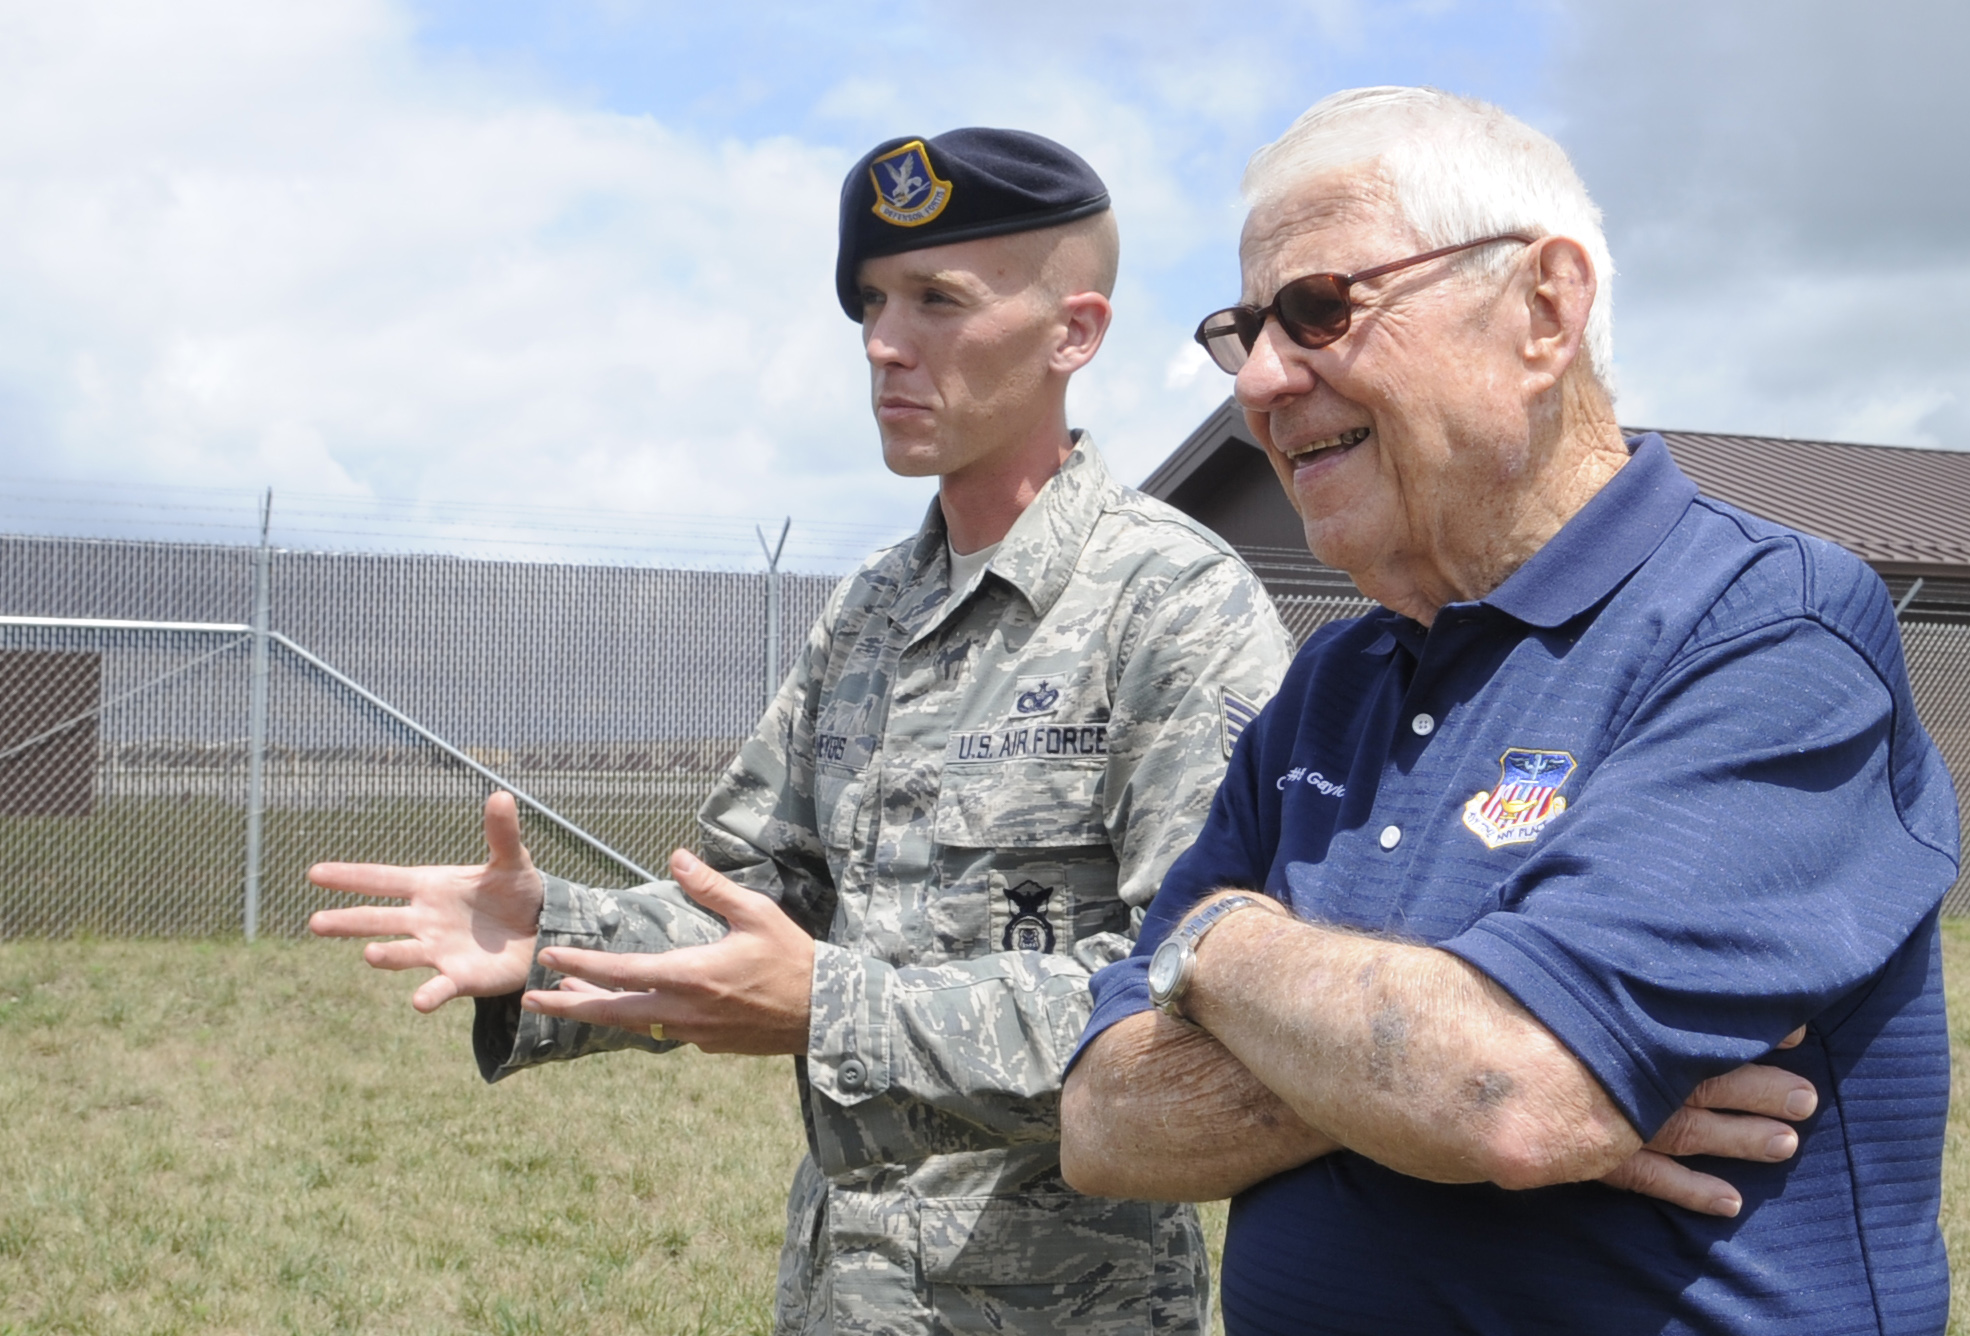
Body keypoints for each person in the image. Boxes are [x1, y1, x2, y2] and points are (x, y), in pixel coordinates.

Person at [311, 127, 1297, 1336]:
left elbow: (1187, 999)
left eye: (937, 299)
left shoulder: (1175, 609)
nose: (883, 342)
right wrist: (553, 939)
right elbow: (758, 897)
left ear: (1072, 333)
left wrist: (834, 1007)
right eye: (871, 302)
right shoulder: (871, 609)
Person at [1060, 87, 1959, 1336]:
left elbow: (1514, 1093)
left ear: (1544, 309)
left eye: (1319, 307)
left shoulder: (1765, 625)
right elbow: (1102, 1122)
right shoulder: (1331, 682)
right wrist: (1423, 1071)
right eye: (1246, 330)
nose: (1260, 377)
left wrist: (1215, 946)